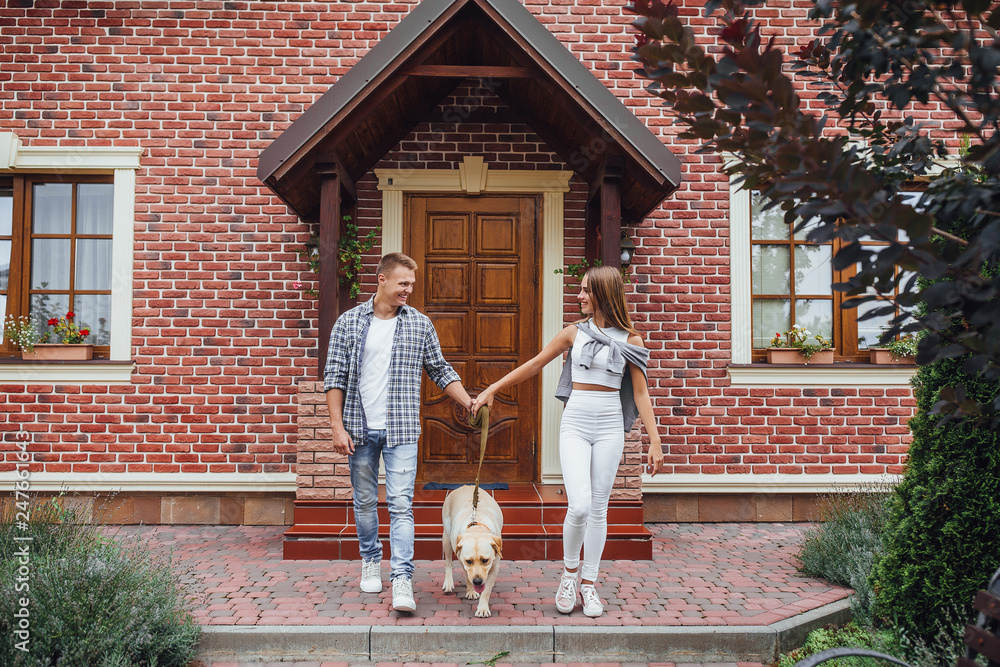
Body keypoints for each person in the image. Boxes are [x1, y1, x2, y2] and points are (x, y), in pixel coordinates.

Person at [471, 265, 663, 618]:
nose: (579, 296)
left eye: (586, 290)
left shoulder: (631, 341)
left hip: (609, 425)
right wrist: (492, 389)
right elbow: (534, 364)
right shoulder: (574, 333)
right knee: (579, 506)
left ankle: (589, 584)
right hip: (576, 421)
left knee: (599, 508)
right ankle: (570, 575)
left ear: (604, 294)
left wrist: (655, 440)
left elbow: (640, 393)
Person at [324, 252, 474, 613]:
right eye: (403, 283)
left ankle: (402, 578)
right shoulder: (348, 323)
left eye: (412, 284)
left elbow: (439, 369)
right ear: (382, 280)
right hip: (358, 428)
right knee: (363, 502)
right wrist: (335, 425)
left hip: (402, 429)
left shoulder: (419, 325)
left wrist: (467, 400)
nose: (409, 289)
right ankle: (371, 560)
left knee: (401, 505)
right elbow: (334, 378)